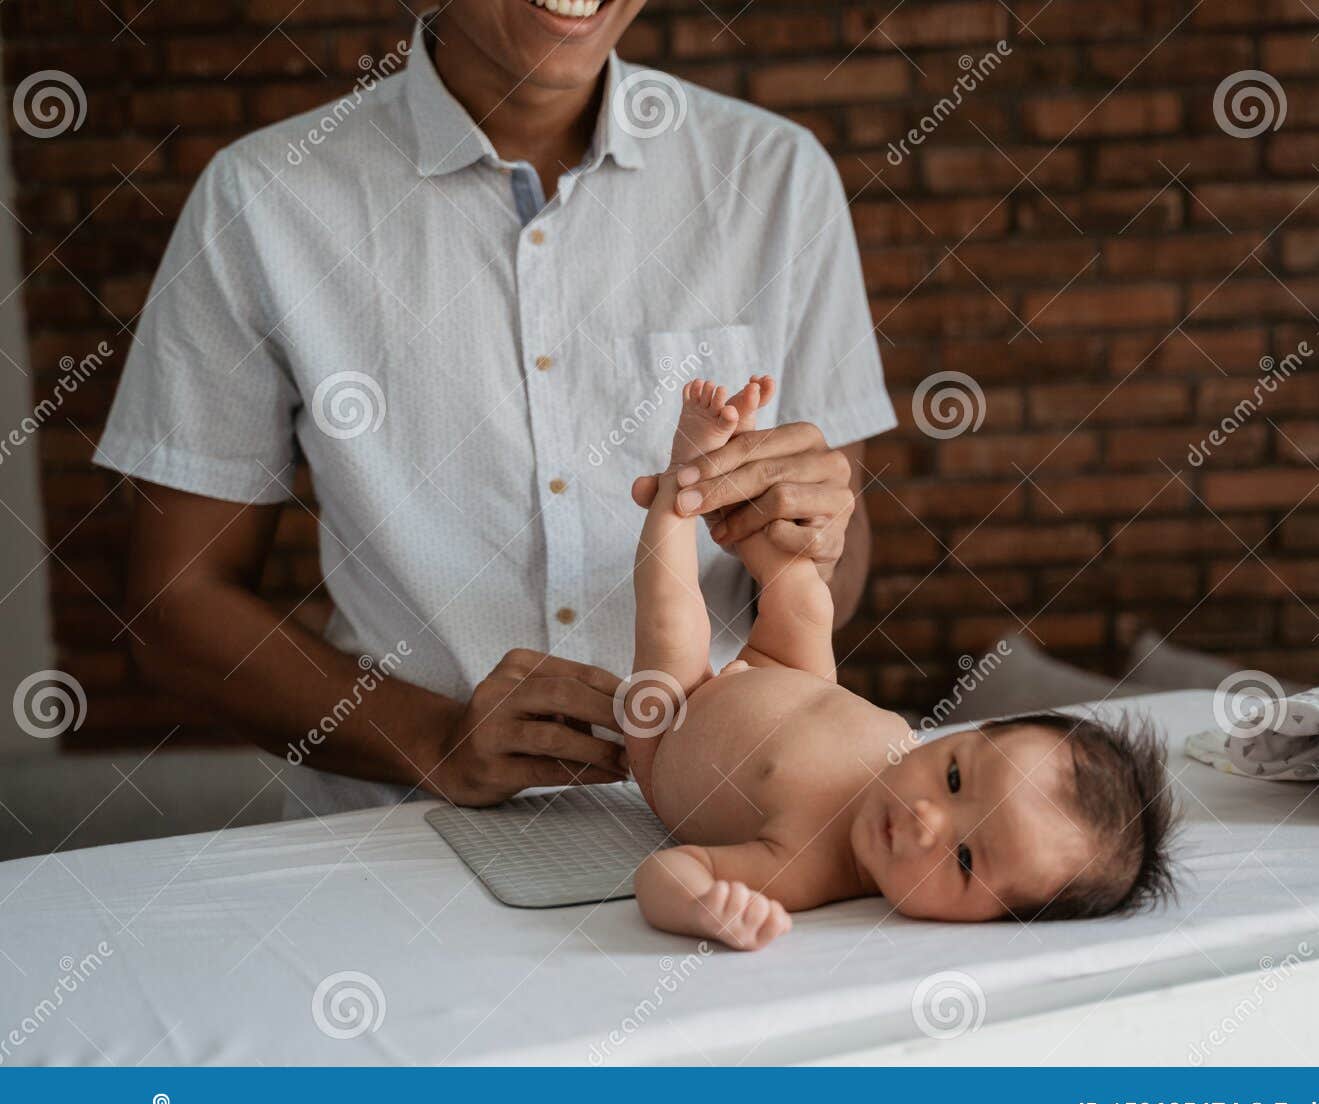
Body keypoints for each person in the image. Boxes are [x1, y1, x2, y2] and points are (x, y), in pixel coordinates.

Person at [94, 1, 894, 816]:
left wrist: (806, 552)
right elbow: (177, 603)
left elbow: (844, 550)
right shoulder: (261, 200)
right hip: (405, 847)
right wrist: (435, 740)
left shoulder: (777, 176)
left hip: (733, 831)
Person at [624, 375, 1177, 950]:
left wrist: (706, 905)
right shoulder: (899, 749)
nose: (924, 819)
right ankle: (735, 468)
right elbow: (826, 700)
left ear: (984, 924)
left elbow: (665, 873)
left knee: (672, 615)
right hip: (793, 672)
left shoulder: (809, 866)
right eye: (955, 776)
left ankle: (680, 490)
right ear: (972, 736)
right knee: (806, 592)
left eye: (964, 860)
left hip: (673, 721)